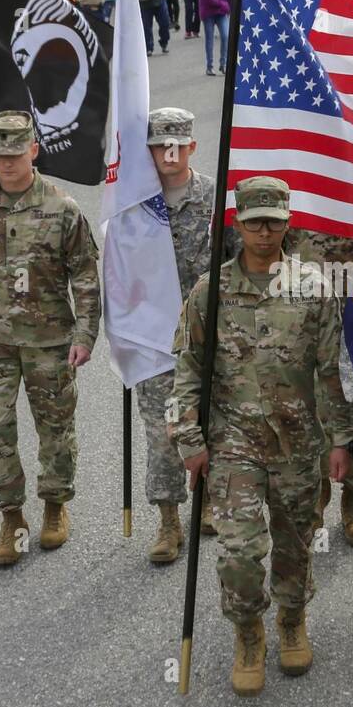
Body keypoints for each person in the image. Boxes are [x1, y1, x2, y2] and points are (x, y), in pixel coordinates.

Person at [169, 176, 353, 697]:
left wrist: (342, 439)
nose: (264, 230)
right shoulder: (210, 290)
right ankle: (248, 633)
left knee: (296, 545)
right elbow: (186, 368)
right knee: (239, 551)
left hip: (299, 444)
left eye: (274, 220)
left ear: (287, 223)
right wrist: (190, 438)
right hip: (234, 443)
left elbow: (331, 371)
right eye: (254, 221)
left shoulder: (314, 287)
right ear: (238, 223)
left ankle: (292, 619)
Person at [0, 110, 102, 567]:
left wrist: (86, 334)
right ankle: (11, 516)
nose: (7, 163)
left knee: (55, 428)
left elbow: (85, 276)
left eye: (15, 153)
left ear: (33, 149)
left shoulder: (61, 207)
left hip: (50, 340)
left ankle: (54, 505)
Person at [139, 108, 236, 562]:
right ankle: (167, 520)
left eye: (177, 144)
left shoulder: (217, 201)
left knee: (211, 421)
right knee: (162, 430)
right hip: (155, 340)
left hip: (207, 337)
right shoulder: (135, 204)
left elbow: (241, 264)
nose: (169, 152)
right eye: (160, 145)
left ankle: (208, 500)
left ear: (192, 147)